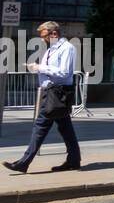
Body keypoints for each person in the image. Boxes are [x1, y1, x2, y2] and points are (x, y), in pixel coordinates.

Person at [5, 21, 81, 174]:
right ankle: (74, 160)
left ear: (54, 34)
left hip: (57, 93)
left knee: (40, 126)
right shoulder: (51, 49)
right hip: (51, 92)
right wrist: (35, 67)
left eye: (44, 36)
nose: (42, 39)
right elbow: (50, 70)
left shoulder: (67, 48)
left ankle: (24, 162)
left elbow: (64, 72)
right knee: (65, 128)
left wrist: (40, 67)